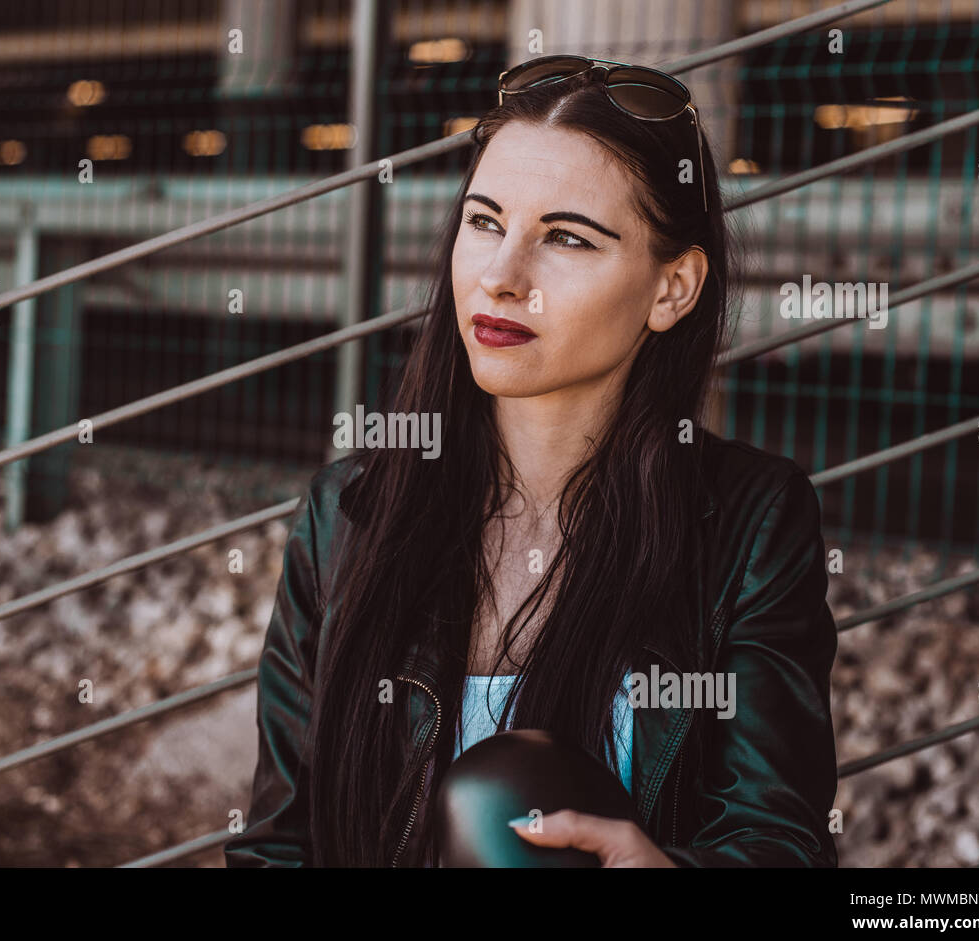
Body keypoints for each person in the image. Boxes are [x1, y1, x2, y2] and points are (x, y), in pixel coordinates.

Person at [224, 56, 839, 867]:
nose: (502, 278)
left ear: (674, 288)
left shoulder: (751, 524)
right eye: (485, 222)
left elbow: (779, 839)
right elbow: (277, 845)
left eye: (567, 238)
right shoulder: (348, 513)